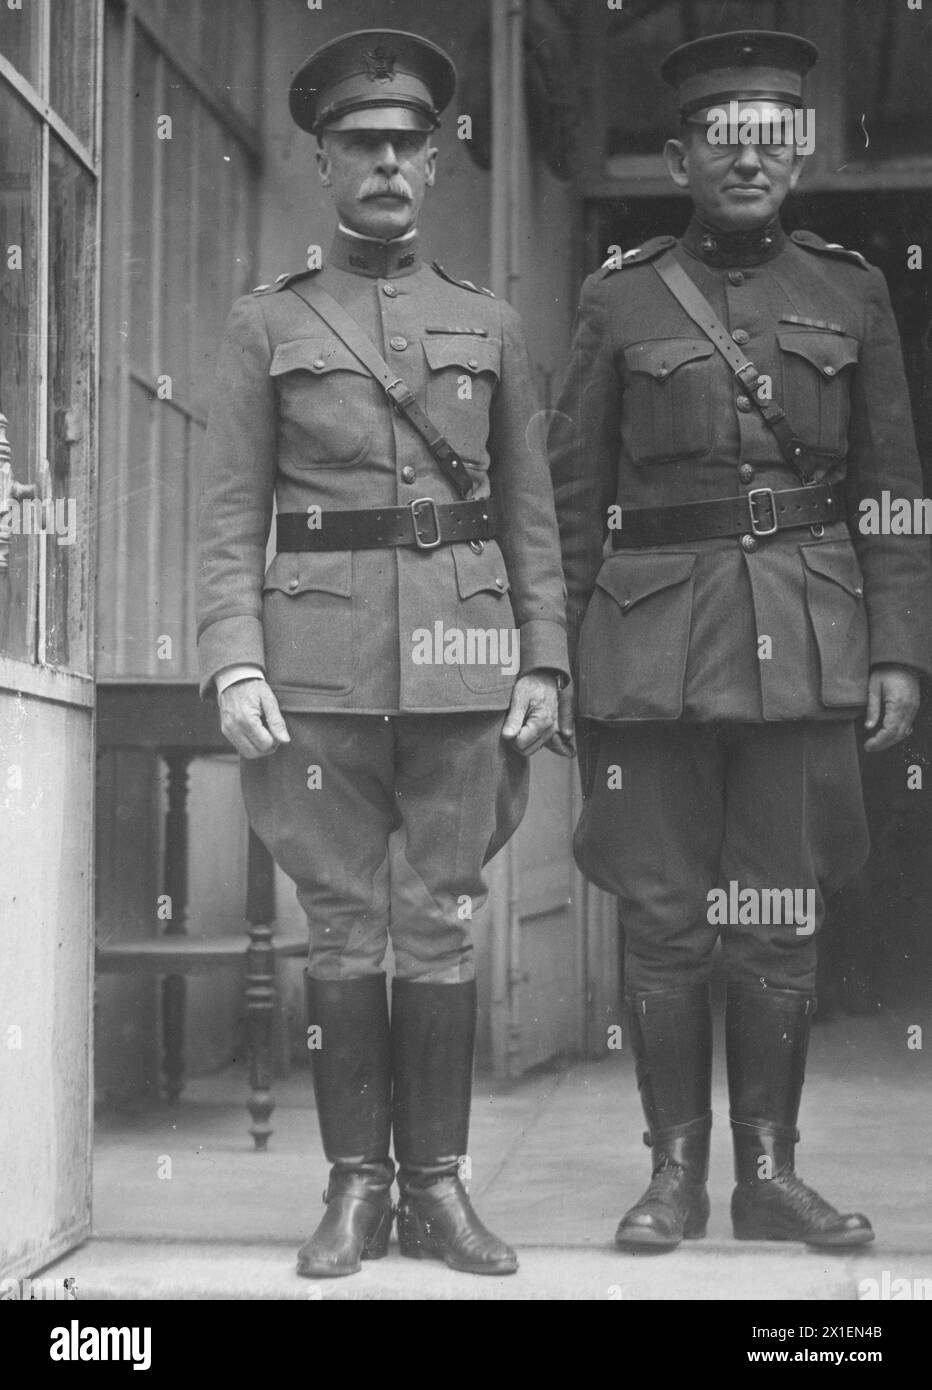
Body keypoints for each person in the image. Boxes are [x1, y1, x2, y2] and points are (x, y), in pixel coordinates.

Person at [196, 28, 571, 1279]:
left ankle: (440, 1191)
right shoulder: (265, 326)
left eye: (409, 142)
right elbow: (225, 512)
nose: (390, 163)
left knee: (443, 921)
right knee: (346, 926)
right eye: (363, 143)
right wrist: (234, 660)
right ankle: (354, 1189)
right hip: (317, 670)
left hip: (467, 663)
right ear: (322, 161)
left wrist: (545, 661)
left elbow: (530, 515)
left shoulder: (491, 325)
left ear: (437, 160)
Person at [549, 29, 932, 1252]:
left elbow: (889, 484)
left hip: (806, 644)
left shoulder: (849, 292)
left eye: (772, 132)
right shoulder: (616, 299)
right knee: (661, 917)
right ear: (678, 157)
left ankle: (766, 1174)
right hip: (646, 652)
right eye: (723, 134)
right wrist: (548, 657)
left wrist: (897, 647)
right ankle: (671, 1177)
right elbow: (564, 498)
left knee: (775, 911)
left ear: (801, 148)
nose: (749, 156)